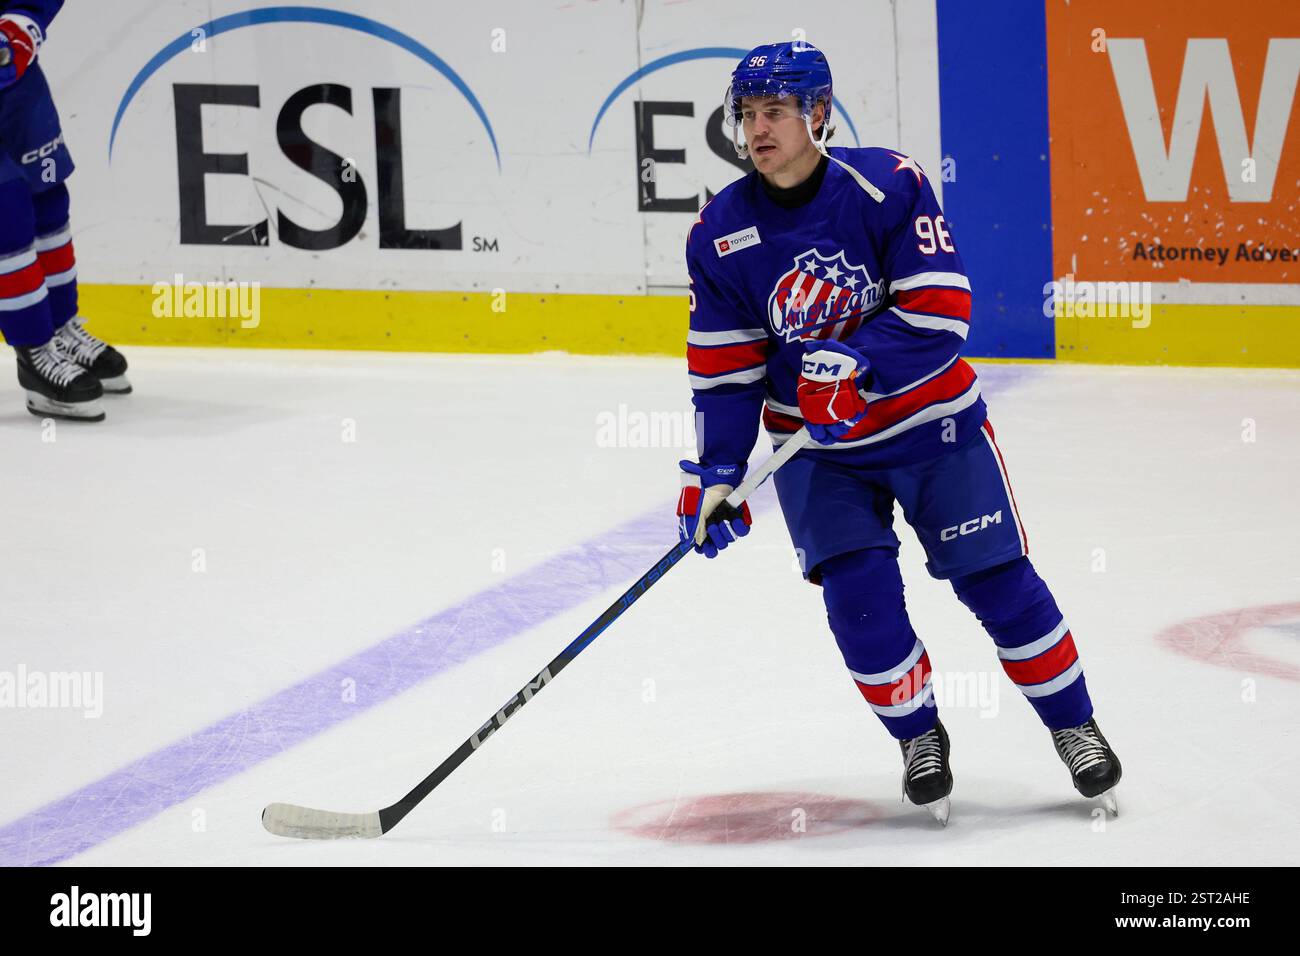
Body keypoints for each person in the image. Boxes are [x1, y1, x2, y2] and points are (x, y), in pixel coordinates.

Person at [675, 41, 1121, 824]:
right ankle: (919, 736)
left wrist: (858, 365)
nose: (757, 130)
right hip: (820, 452)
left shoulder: (888, 185)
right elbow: (726, 370)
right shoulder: (719, 234)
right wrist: (717, 471)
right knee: (861, 603)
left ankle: (1074, 725)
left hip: (932, 428)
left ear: (819, 113)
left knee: (997, 584)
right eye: (747, 115)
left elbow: (942, 312)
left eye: (774, 111)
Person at [0, 0, 129, 422]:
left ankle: (60, 328)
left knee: (48, 198)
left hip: (15, 75)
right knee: (7, 213)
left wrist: (24, 19)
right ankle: (34, 351)